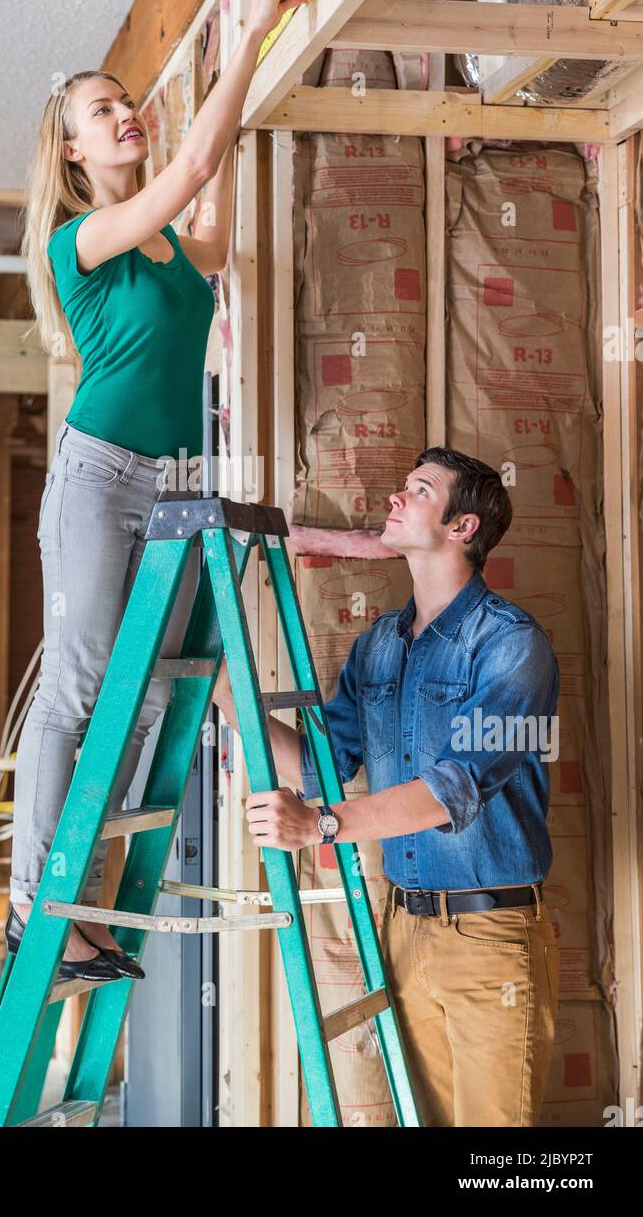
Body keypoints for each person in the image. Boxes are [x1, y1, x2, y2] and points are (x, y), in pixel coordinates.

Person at [8, 0, 312, 981]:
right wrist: (249, 36)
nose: (126, 113)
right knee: (78, 687)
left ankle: (81, 896)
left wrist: (223, 131)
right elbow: (184, 178)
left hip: (176, 484)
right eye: (105, 109)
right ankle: (31, 907)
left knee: (140, 697)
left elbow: (211, 230)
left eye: (129, 101)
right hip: (99, 476)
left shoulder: (172, 249)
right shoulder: (78, 239)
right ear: (72, 147)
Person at [213, 447, 561, 1125]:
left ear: (463, 528)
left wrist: (319, 826)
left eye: (420, 491)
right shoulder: (380, 646)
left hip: (489, 937)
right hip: (401, 926)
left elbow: (452, 791)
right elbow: (322, 765)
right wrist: (229, 695)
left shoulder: (513, 645)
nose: (396, 500)